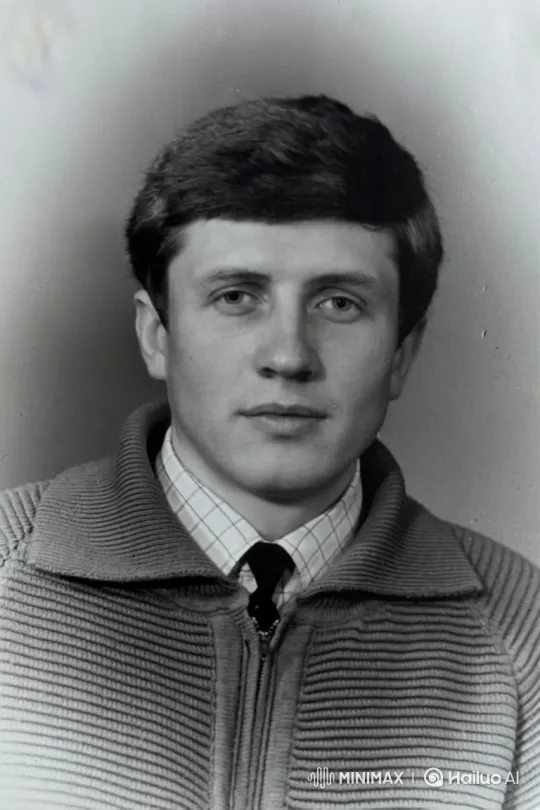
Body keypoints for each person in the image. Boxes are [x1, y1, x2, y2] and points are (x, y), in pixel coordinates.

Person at [0, 94, 538, 810]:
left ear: (402, 355)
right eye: (236, 296)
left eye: (339, 303)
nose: (288, 356)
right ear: (156, 335)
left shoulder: (521, 634)